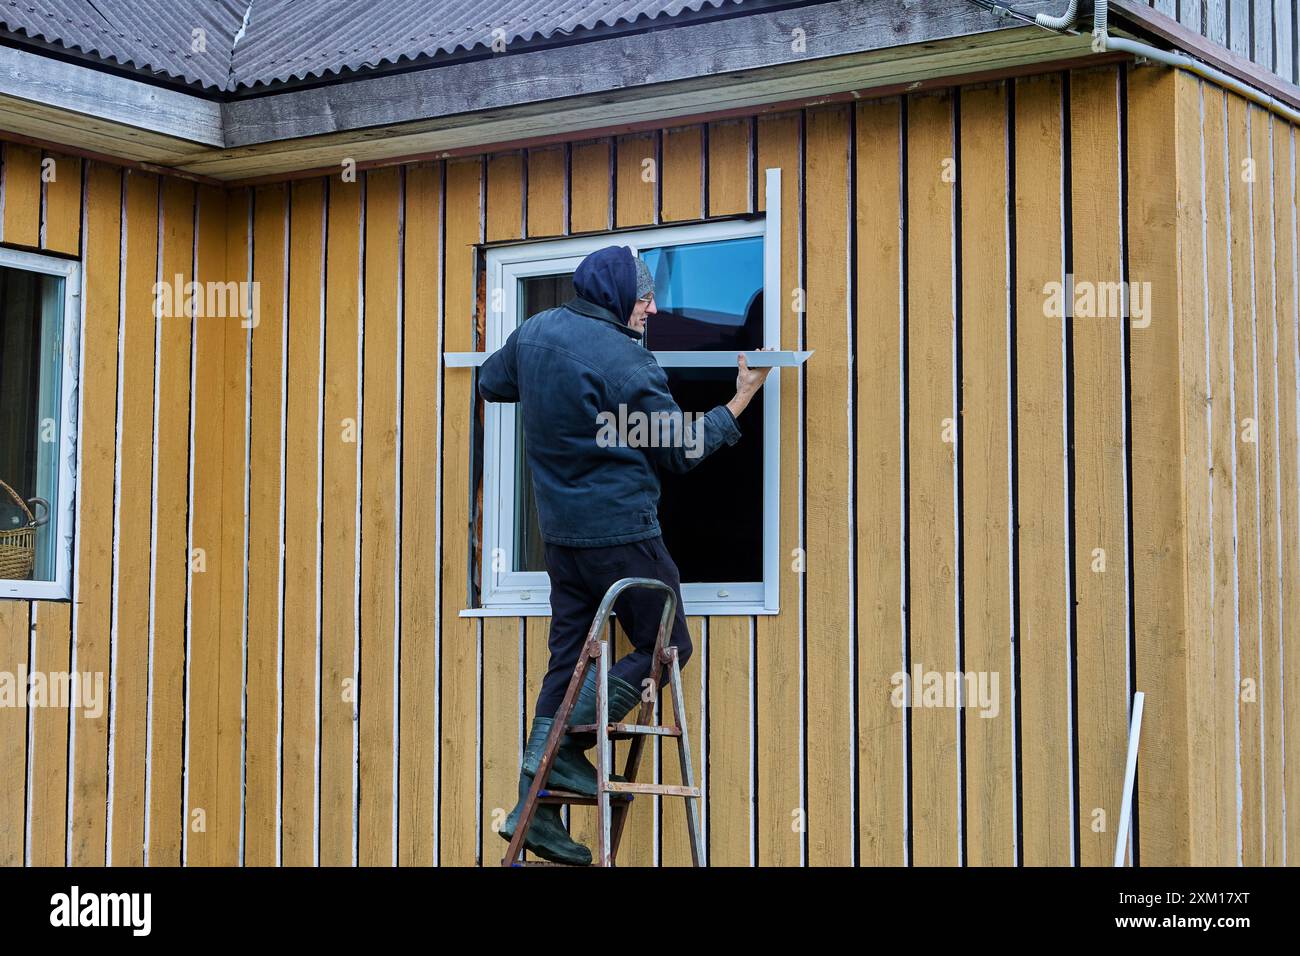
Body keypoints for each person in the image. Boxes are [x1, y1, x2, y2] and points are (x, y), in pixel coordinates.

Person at [478, 244, 770, 864]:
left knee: (568, 663)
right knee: (670, 647)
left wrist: (560, 404)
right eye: (644, 298)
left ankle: (539, 814)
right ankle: (559, 752)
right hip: (622, 537)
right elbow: (684, 449)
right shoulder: (626, 364)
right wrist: (742, 396)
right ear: (617, 296)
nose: (653, 308)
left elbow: (489, 381)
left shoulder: (534, 332)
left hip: (561, 541)